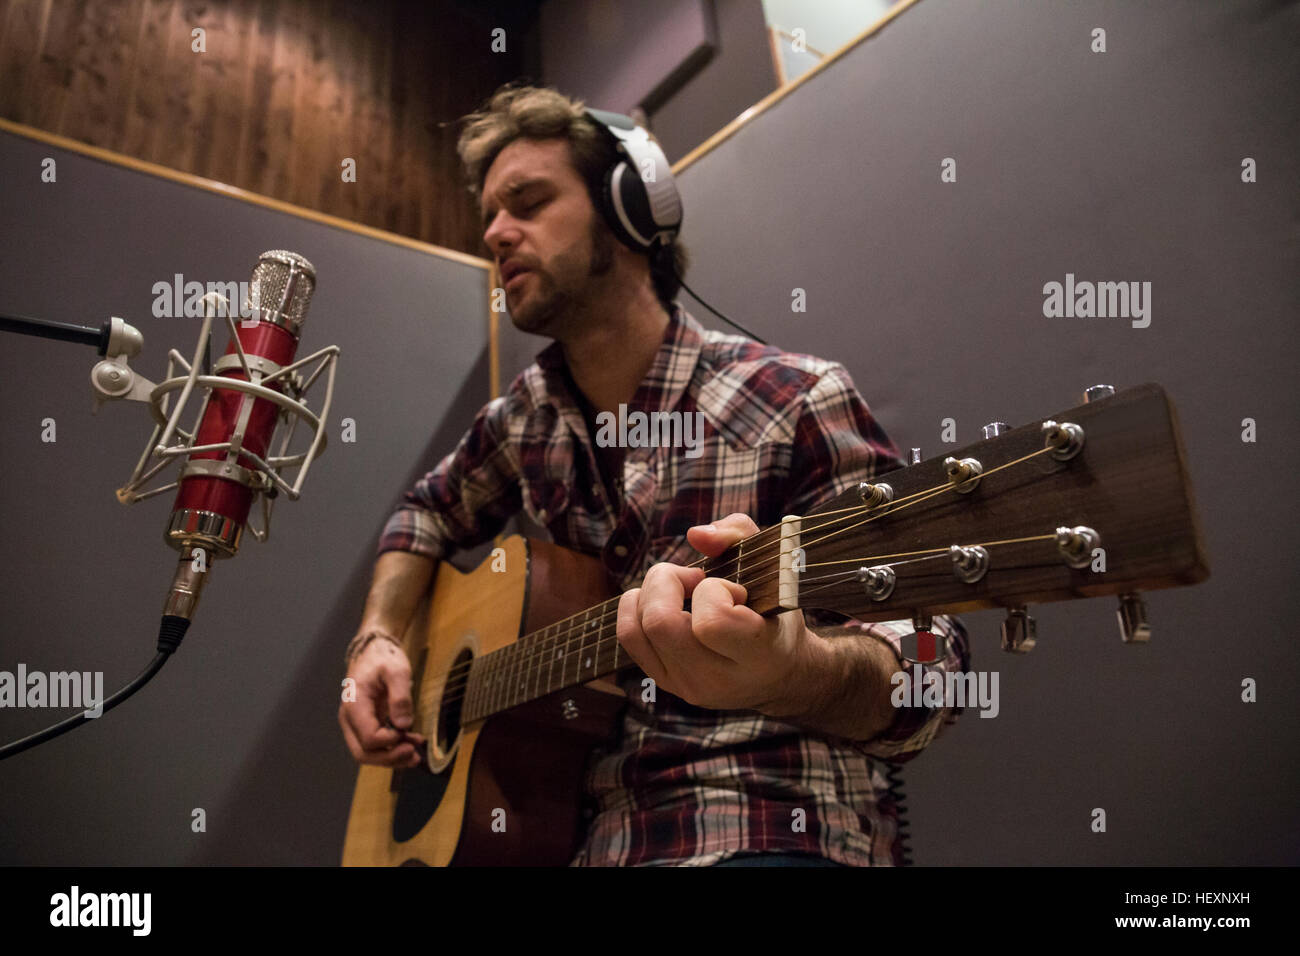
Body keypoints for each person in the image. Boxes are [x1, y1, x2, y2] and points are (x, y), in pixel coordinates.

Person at [338, 83, 970, 867]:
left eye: (528, 201)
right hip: (578, 836)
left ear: (632, 213)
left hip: (763, 819)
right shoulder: (523, 418)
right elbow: (421, 514)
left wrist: (793, 671)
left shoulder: (794, 399)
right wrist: (377, 641)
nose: (497, 234)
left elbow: (929, 670)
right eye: (490, 218)